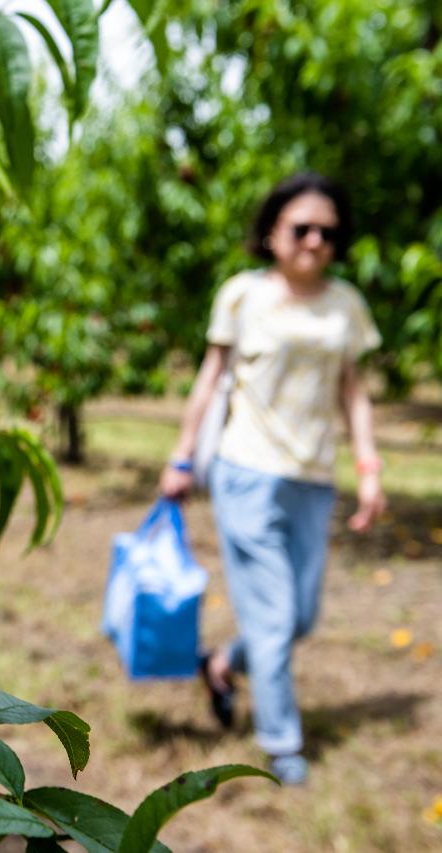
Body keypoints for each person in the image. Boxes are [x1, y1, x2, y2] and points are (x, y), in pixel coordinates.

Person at [159, 172, 386, 786]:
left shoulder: (346, 305)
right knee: (275, 612)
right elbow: (209, 380)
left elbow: (353, 390)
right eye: (302, 228)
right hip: (247, 471)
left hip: (314, 477)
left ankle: (222, 663)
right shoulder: (242, 295)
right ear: (271, 232)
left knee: (301, 617)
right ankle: (282, 743)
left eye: (328, 232)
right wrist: (182, 455)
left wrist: (369, 467)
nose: (315, 240)